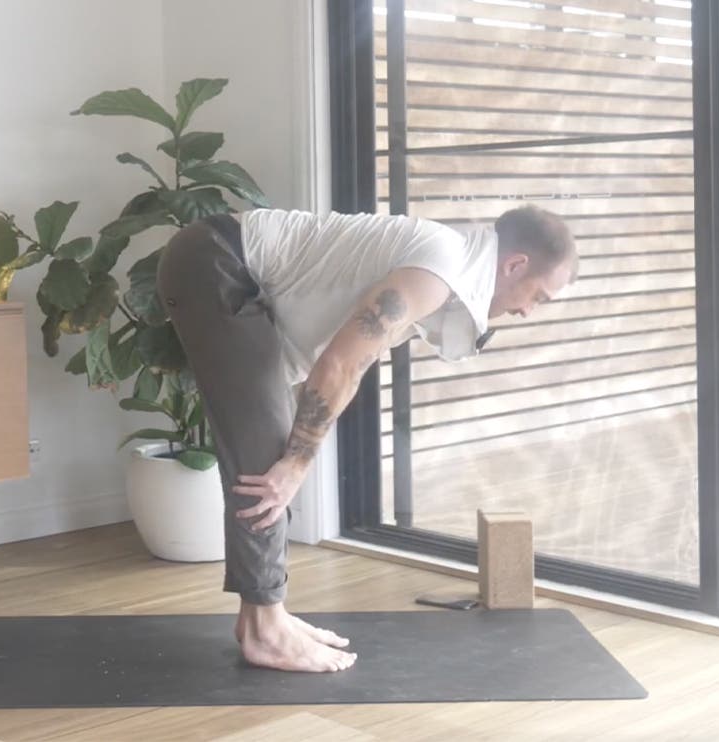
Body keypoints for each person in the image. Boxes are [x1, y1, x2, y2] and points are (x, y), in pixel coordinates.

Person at [156, 205, 577, 673]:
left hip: (226, 263)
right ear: (515, 264)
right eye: (538, 296)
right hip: (218, 261)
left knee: (273, 447)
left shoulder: (444, 267)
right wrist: (296, 463)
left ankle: (267, 617)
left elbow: (352, 359)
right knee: (268, 464)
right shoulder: (441, 265)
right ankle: (264, 628)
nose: (525, 311)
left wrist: (296, 453)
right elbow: (340, 364)